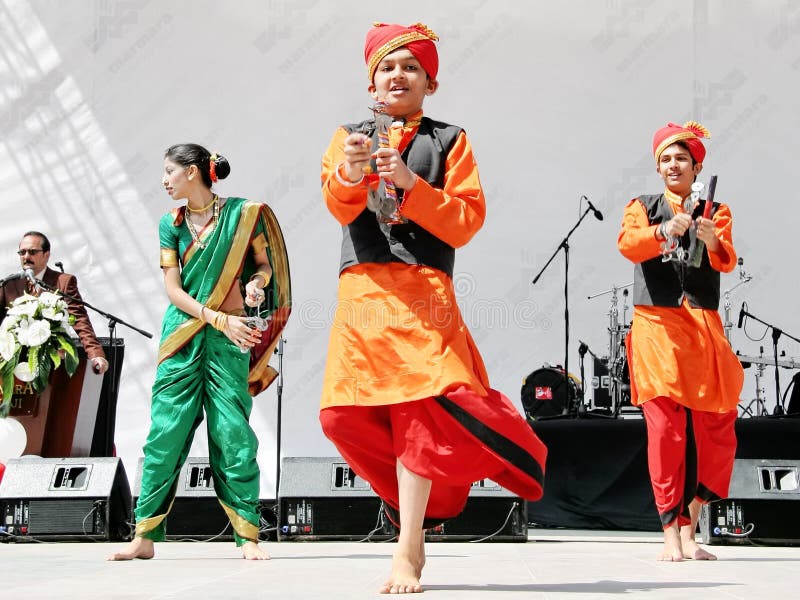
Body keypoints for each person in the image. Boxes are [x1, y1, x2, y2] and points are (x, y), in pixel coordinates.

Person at [319, 23, 547, 593]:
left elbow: (466, 219)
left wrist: (408, 181)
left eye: (411, 68)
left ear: (430, 81)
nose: (398, 75)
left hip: (425, 291)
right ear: (371, 78)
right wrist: (352, 171)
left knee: (420, 418)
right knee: (341, 416)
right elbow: (337, 203)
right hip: (364, 292)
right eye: (387, 67)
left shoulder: (450, 140)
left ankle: (409, 548)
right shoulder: (349, 135)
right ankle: (419, 507)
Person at [107, 143, 291, 561]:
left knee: (233, 434)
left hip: (229, 342)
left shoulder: (244, 215)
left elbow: (264, 265)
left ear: (193, 172)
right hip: (185, 337)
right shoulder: (169, 223)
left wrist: (257, 284)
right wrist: (217, 317)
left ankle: (248, 536)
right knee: (164, 434)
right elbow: (173, 290)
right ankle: (145, 536)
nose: (164, 180)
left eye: (169, 171)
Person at [617, 121, 744, 561]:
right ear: (658, 167)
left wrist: (711, 240)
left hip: (703, 325)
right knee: (666, 428)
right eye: (666, 159)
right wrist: (663, 230)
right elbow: (628, 245)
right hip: (657, 326)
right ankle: (671, 530)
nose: (673, 165)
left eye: (681, 159)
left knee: (719, 424)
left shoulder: (716, 210)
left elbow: (726, 260)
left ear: (696, 166)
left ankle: (692, 513)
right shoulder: (643, 206)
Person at [0, 231, 109, 374]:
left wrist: (96, 355)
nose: (26, 256)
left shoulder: (63, 282)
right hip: (16, 365)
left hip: (53, 363)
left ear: (46, 254)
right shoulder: (9, 284)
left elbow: (80, 320)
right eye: (22, 252)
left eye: (32, 252)